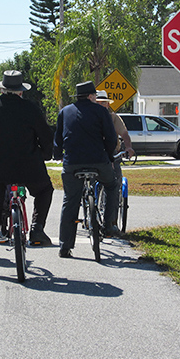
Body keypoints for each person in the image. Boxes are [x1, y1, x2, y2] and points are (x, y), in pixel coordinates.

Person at [0, 70, 54, 276]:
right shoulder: (31, 109)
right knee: (45, 190)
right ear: (21, 91)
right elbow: (45, 136)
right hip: (28, 167)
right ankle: (36, 228)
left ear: (2, 89)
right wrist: (45, 155)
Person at [54, 81, 119, 258]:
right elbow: (111, 138)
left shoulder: (65, 112)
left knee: (70, 200)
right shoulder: (101, 111)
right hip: (98, 161)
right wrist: (109, 155)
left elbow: (58, 139)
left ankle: (64, 246)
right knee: (112, 185)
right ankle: (107, 226)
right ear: (91, 96)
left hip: (72, 162)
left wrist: (58, 155)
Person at [95, 90, 135, 226]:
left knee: (115, 183)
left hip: (112, 154)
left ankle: (112, 222)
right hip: (95, 155)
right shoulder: (89, 116)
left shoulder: (113, 118)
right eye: (99, 103)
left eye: (104, 103)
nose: (102, 105)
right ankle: (89, 209)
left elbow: (124, 134)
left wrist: (128, 147)